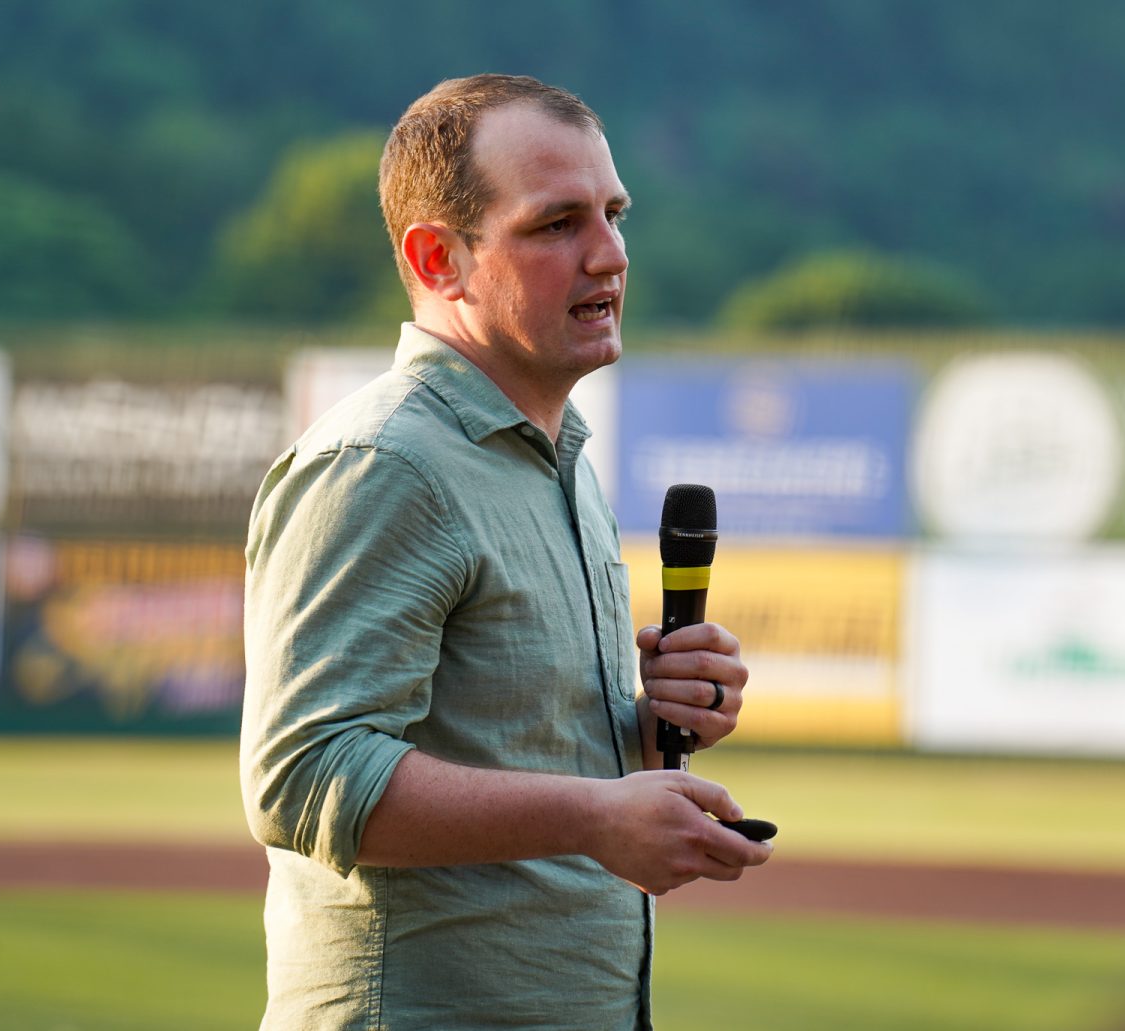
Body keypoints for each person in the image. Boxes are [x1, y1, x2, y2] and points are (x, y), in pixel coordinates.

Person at [239, 73, 771, 1031]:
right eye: (556, 224)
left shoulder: (556, 459)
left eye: (614, 214)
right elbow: (306, 772)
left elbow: (517, 747)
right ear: (438, 258)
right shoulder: (383, 462)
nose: (610, 254)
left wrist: (651, 727)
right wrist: (594, 815)